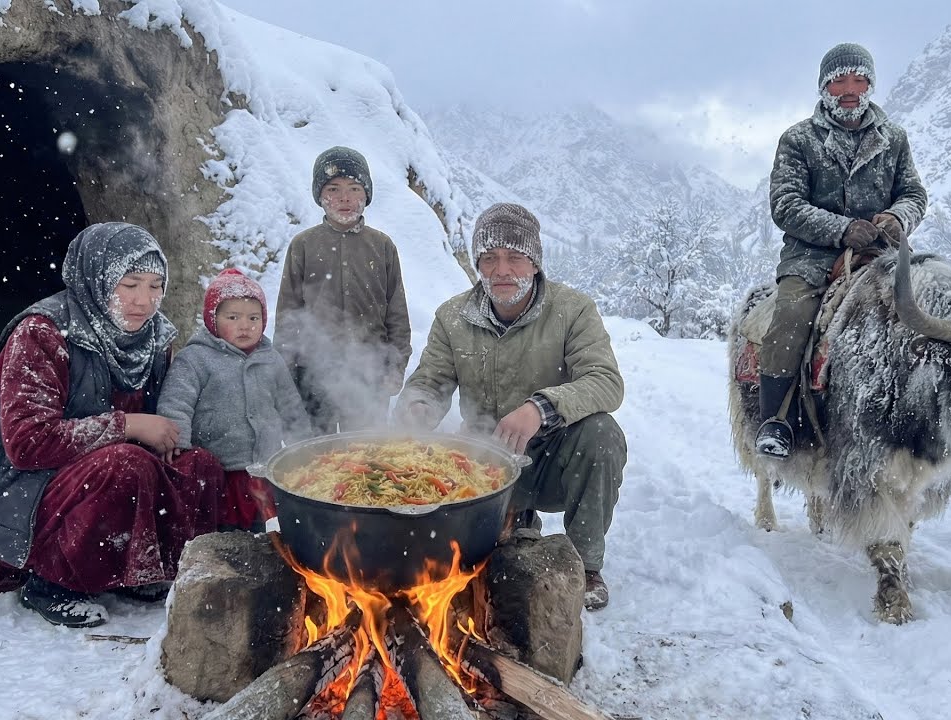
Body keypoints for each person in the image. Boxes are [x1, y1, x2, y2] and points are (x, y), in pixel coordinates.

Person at [0, 222, 227, 628]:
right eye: (130, 284)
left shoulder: (153, 338)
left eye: (155, 286)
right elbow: (28, 444)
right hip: (20, 489)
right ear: (97, 278)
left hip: (98, 473)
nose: (144, 301)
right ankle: (52, 584)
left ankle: (144, 570)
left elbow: (165, 418)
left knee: (199, 466)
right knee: (125, 463)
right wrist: (129, 424)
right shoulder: (41, 333)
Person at [394, 202, 627, 611]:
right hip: (483, 463)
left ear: (534, 263)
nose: (502, 270)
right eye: (490, 258)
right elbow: (428, 382)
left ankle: (584, 565)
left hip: (554, 455)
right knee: (487, 568)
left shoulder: (572, 310)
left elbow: (605, 381)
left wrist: (541, 408)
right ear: (479, 265)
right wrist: (416, 409)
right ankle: (513, 523)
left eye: (515, 258)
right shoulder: (453, 317)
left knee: (602, 435)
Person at [757, 42, 928, 458]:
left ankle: (920, 418)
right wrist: (841, 229)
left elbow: (913, 193)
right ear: (824, 87)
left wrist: (898, 218)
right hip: (811, 258)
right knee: (791, 318)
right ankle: (777, 421)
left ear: (870, 84)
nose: (849, 88)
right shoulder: (798, 139)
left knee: (924, 316)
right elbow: (786, 205)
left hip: (883, 255)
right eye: (839, 80)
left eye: (858, 79)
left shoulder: (894, 139)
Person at [157, 268, 312, 532]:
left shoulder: (270, 358)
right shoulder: (195, 359)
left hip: (265, 468)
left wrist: (304, 445)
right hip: (221, 469)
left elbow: (290, 406)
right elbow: (176, 402)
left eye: (254, 317)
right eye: (233, 317)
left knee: (267, 529)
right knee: (222, 528)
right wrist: (177, 441)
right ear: (212, 320)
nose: (245, 325)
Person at [274, 146, 412, 434]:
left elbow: (397, 316)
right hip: (312, 374)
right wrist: (285, 375)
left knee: (363, 457)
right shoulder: (303, 245)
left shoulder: (382, 246)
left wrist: (395, 369)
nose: (345, 198)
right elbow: (288, 315)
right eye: (333, 189)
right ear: (319, 196)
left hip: (369, 373)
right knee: (314, 460)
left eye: (354, 188)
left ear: (367, 195)